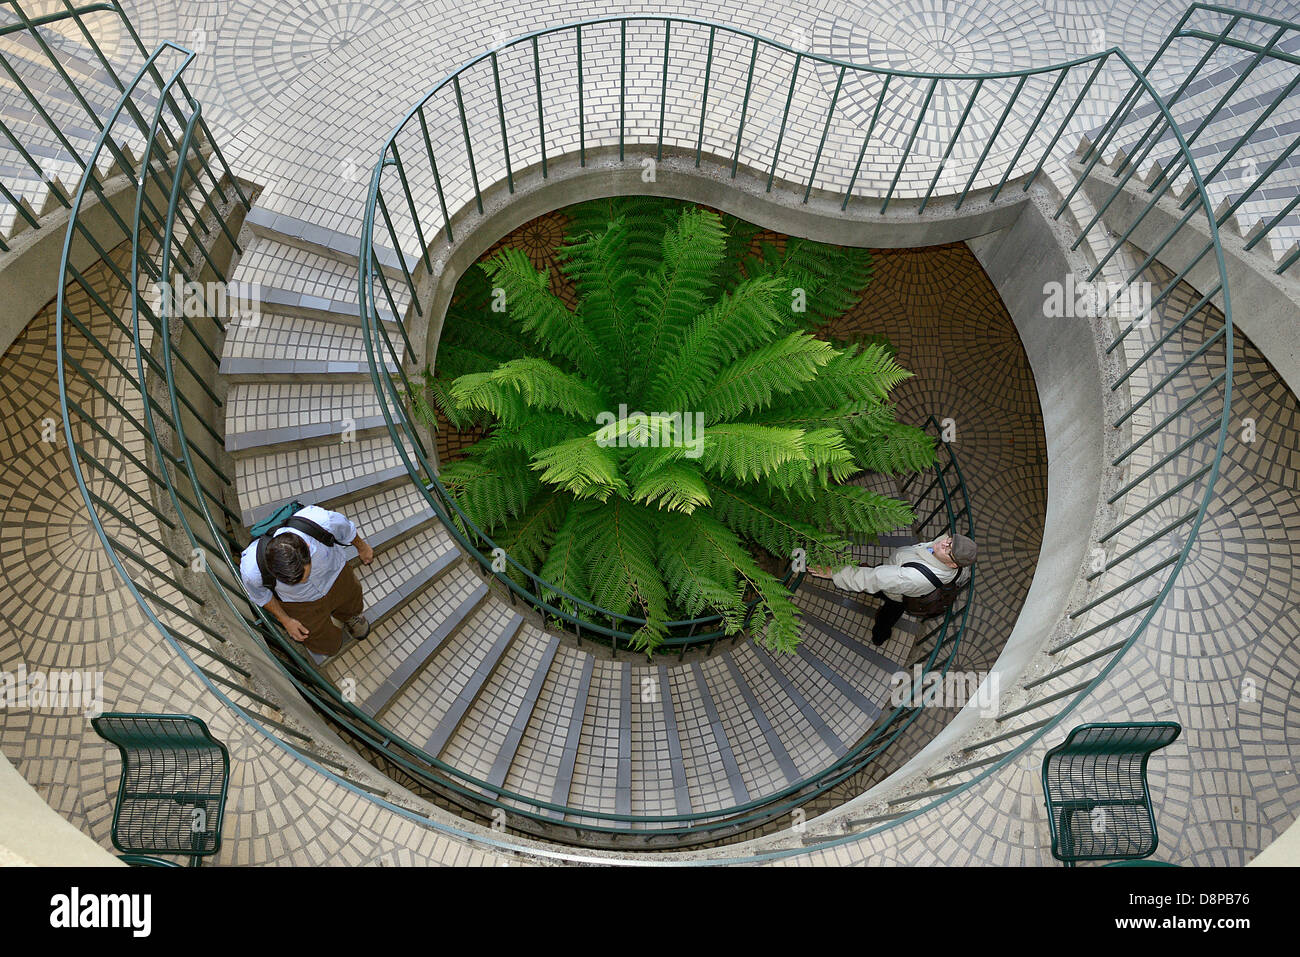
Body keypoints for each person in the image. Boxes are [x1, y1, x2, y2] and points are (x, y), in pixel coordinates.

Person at [238, 504, 375, 657]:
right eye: (293, 582)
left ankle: (350, 616)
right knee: (321, 641)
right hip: (299, 603)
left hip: (336, 576)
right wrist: (286, 621)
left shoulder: (321, 521)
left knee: (351, 599)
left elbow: (347, 530)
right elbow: (261, 595)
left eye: (305, 575)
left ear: (307, 547)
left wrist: (362, 547)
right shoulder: (252, 569)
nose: (303, 582)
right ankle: (331, 644)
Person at [808, 533, 977, 646]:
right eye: (950, 540)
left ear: (952, 564)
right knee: (889, 608)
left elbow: (873, 578)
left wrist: (834, 573)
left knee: (887, 611)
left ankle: (879, 636)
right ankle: (881, 634)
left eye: (949, 550)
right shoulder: (959, 566)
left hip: (898, 593)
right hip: (904, 582)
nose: (944, 543)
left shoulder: (913, 576)